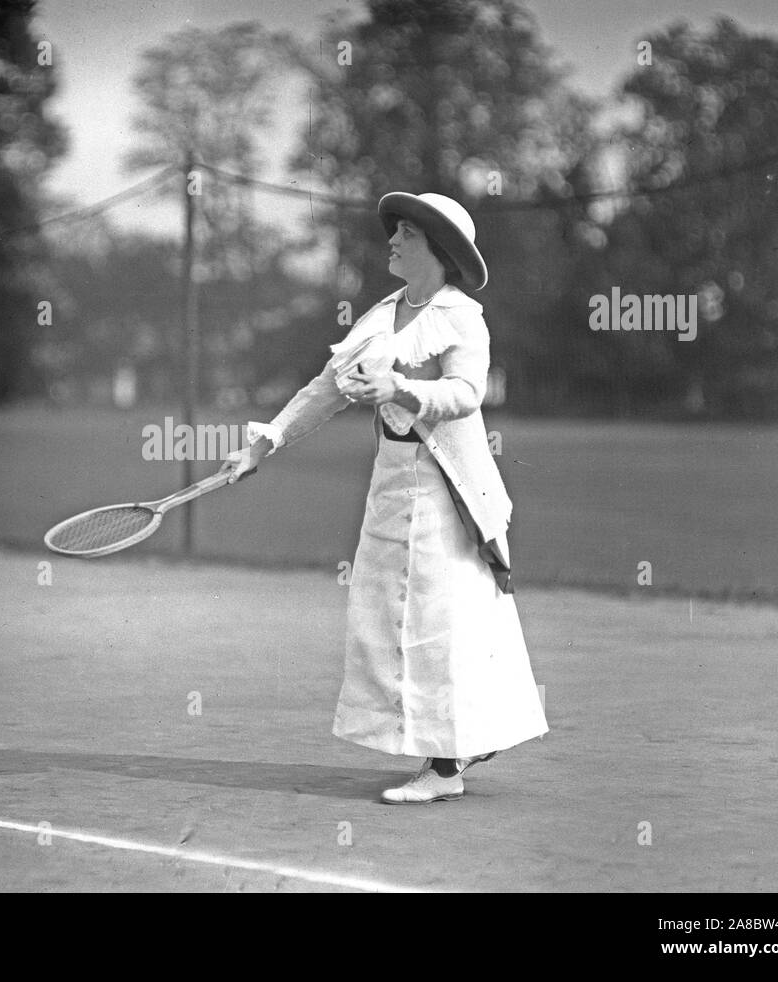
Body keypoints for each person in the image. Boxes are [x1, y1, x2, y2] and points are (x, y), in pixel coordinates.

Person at [220, 192, 548, 804]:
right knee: (391, 617)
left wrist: (399, 386)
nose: (392, 241)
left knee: (440, 619)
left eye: (407, 234)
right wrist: (264, 445)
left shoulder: (461, 316)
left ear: (439, 250)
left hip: (448, 490)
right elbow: (327, 388)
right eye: (394, 231)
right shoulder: (381, 315)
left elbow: (466, 393)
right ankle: (461, 744)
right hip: (393, 486)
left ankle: (445, 768)